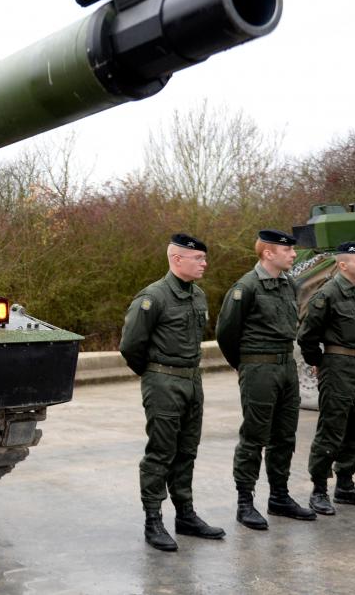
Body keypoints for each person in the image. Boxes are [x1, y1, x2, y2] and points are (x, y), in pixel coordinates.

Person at [120, 233, 226, 551]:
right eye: (199, 258)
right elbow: (130, 346)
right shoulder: (153, 297)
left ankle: (186, 515)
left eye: (205, 258)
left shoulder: (198, 296)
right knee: (161, 453)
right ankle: (153, 520)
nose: (205, 263)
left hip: (193, 382)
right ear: (177, 259)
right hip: (164, 383)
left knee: (186, 451)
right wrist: (155, 375)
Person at [215, 229, 317, 531]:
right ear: (268, 253)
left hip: (287, 367)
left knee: (285, 436)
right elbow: (226, 333)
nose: (294, 254)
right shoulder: (246, 287)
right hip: (259, 369)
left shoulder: (289, 283)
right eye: (287, 250)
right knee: (254, 436)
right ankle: (245, 503)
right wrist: (246, 366)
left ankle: (279, 497)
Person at [297, 241, 355, 514]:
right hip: (337, 364)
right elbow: (307, 335)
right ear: (342, 264)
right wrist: (320, 362)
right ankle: (319, 490)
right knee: (332, 429)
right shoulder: (328, 293)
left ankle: (345, 486)